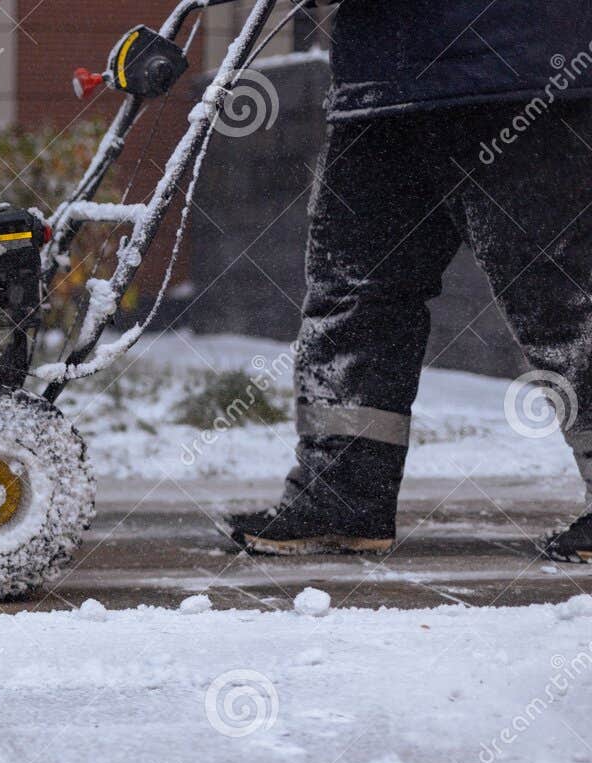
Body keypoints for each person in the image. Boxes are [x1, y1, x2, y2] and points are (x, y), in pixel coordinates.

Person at [224, 1, 592, 563]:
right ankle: (342, 495)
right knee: (353, 293)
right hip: (380, 87)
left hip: (515, 71)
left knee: (556, 296)